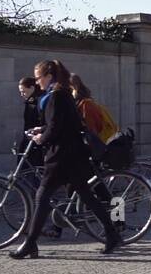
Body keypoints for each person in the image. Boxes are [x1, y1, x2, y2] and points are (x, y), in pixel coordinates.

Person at [10, 60, 121, 259]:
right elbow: (61, 123)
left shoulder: (57, 96)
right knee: (87, 195)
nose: (37, 82)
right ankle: (112, 234)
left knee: (42, 197)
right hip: (73, 154)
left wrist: (40, 138)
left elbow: (56, 128)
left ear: (49, 76)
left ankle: (30, 244)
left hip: (62, 155)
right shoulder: (61, 94)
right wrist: (42, 129)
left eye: (38, 77)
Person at [16, 77, 44, 166]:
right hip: (30, 137)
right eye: (20, 92)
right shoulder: (31, 101)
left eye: (23, 91)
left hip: (36, 139)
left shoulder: (36, 102)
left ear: (32, 88)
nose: (22, 94)